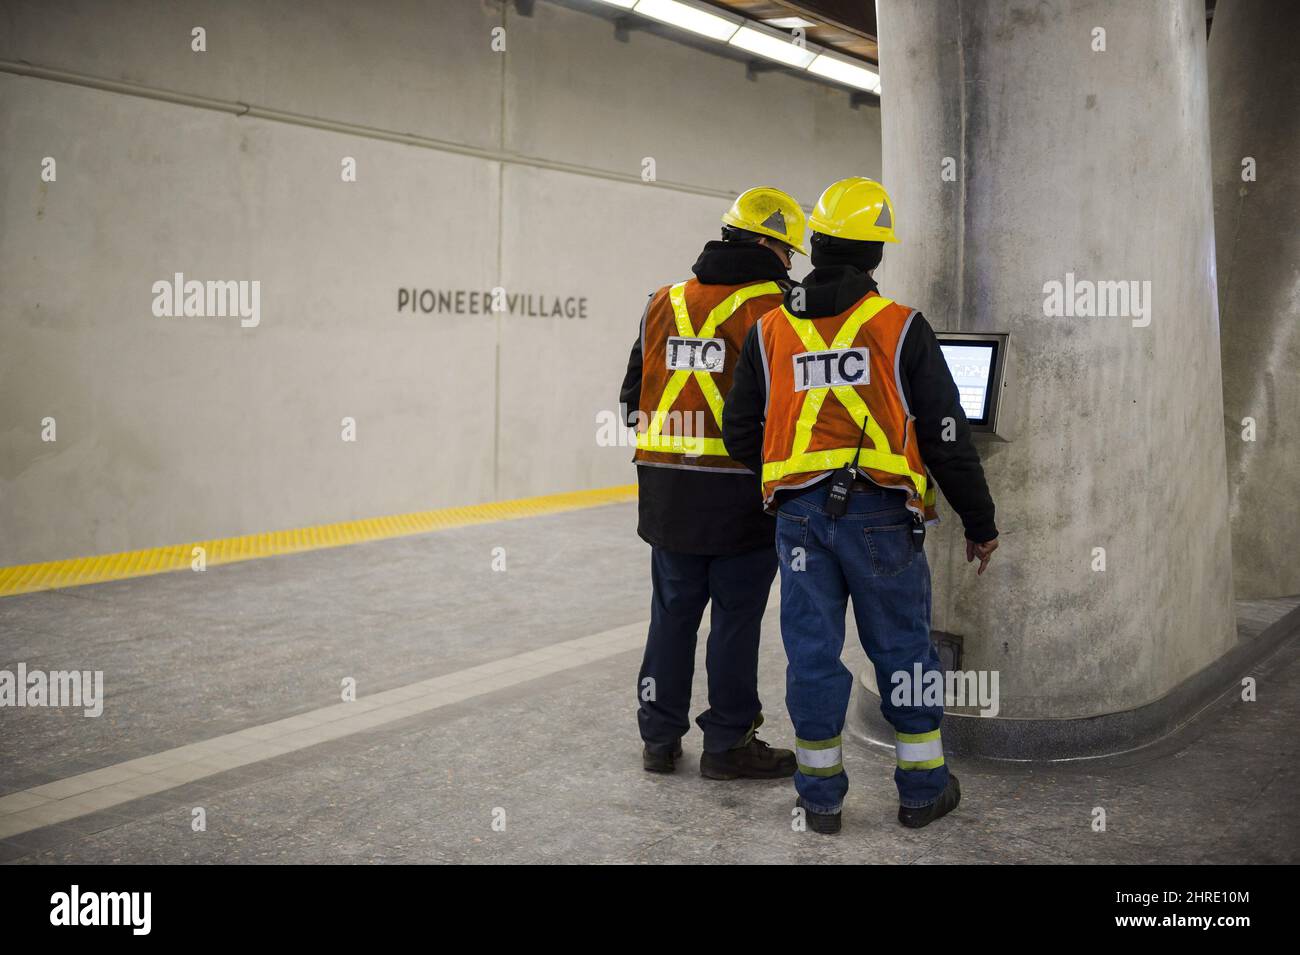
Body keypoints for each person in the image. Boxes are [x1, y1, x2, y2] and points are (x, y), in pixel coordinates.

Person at [722, 177, 999, 831]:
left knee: (811, 653)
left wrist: (789, 474)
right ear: (876, 254)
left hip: (796, 521)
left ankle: (819, 801)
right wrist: (980, 521)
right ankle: (922, 789)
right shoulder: (899, 327)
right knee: (903, 649)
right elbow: (945, 434)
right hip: (880, 517)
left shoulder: (769, 332)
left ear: (814, 244)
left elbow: (740, 430)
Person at [619, 187, 806, 779]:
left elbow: (631, 398)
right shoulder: (779, 305)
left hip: (666, 485)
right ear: (771, 244)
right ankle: (726, 745)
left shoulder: (662, 299)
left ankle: (658, 738)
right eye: (789, 252)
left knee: (671, 612)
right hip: (739, 488)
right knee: (735, 617)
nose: (791, 264)